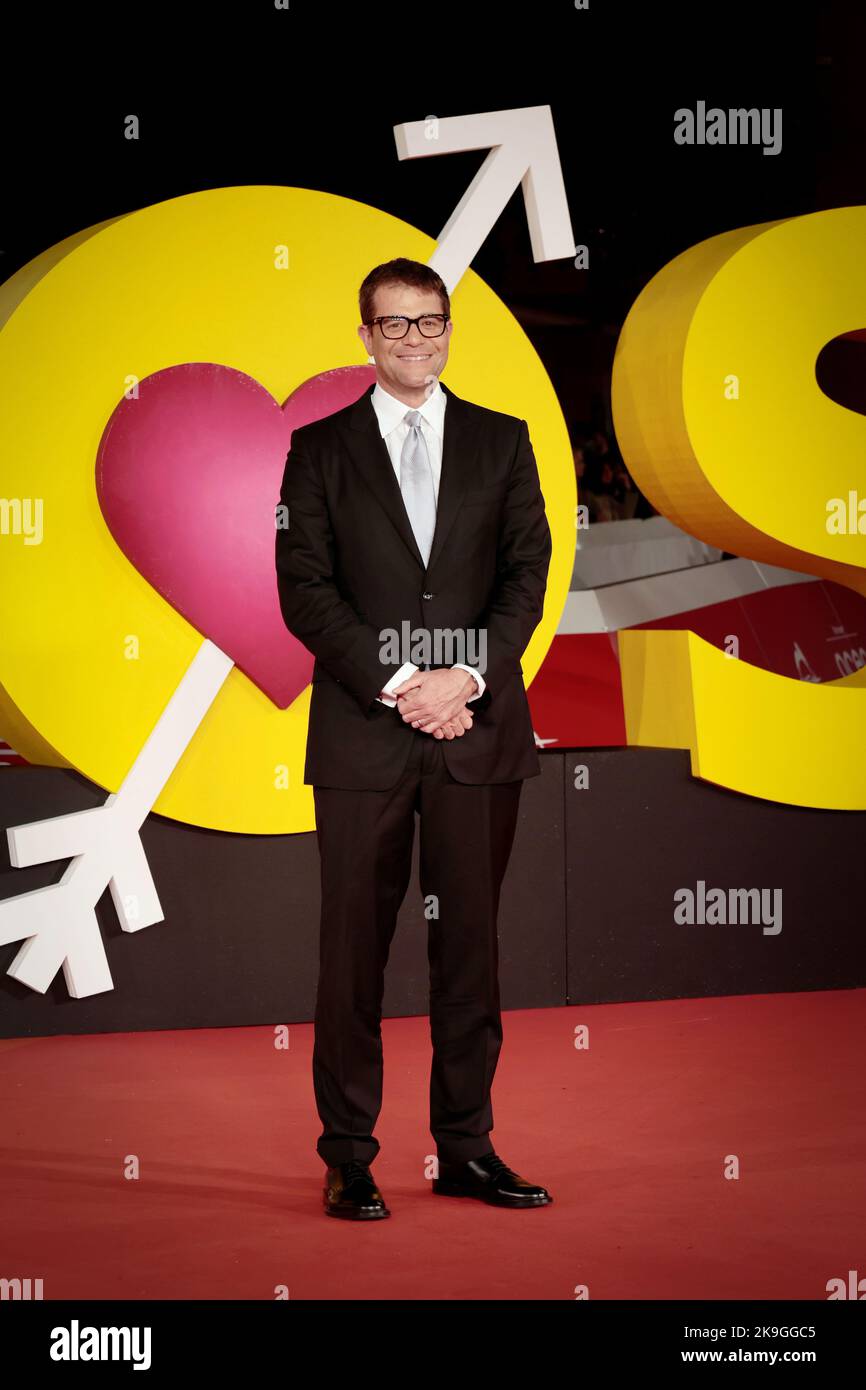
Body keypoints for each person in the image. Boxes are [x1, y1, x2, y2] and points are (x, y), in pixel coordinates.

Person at [275, 257, 554, 1220]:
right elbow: (304, 590)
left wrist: (464, 678)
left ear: (448, 330)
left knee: (470, 951)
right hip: (363, 737)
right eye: (394, 326)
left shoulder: (503, 441)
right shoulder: (318, 451)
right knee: (351, 952)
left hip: (477, 732)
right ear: (365, 337)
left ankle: (468, 1149)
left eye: (430, 324)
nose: (415, 341)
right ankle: (349, 1156)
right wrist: (402, 684)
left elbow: (527, 574)